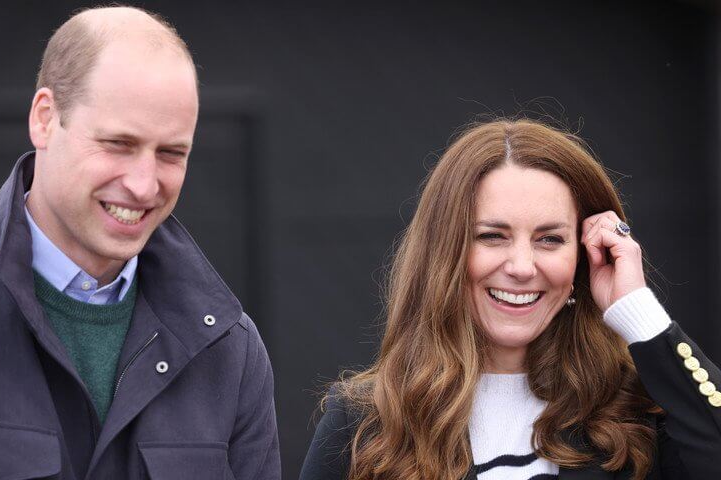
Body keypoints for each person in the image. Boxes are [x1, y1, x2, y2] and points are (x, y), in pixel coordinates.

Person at [0, 6, 279, 479]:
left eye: (171, 153)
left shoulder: (230, 351)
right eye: (118, 144)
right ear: (45, 119)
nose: (144, 184)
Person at [299, 119, 721, 480]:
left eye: (550, 239)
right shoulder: (364, 424)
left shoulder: (638, 416)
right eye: (492, 236)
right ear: (444, 252)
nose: (521, 266)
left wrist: (637, 311)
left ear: (582, 258)